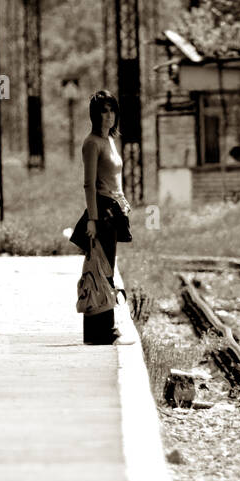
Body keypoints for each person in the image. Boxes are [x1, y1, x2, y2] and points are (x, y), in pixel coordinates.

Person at [69, 91, 132, 345]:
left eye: (112, 110)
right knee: (101, 269)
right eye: (104, 111)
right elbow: (89, 185)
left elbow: (114, 179)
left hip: (114, 210)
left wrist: (124, 204)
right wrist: (92, 220)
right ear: (95, 115)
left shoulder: (110, 140)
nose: (109, 116)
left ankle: (100, 332)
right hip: (101, 211)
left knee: (106, 267)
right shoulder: (92, 143)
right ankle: (104, 331)